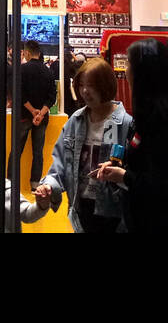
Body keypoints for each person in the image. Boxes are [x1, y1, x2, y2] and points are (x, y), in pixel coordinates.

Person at [92, 38, 168, 233]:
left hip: (158, 221)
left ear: (144, 72)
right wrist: (120, 166)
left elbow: (165, 182)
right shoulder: (149, 112)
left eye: (129, 64)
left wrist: (124, 176)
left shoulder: (162, 119)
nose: (125, 70)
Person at [35, 56, 132, 232]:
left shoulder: (125, 124)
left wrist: (122, 175)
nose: (85, 91)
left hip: (116, 215)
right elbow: (60, 165)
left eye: (92, 85)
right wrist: (48, 186)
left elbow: (137, 175)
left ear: (106, 86)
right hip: (81, 210)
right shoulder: (76, 121)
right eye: (81, 85)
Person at [10, 39, 56, 188]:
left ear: (27, 53)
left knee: (16, 150)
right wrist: (40, 113)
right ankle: (35, 183)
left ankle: (10, 183)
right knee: (38, 152)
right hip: (42, 119)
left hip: (23, 116)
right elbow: (52, 97)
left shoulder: (21, 70)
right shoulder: (48, 71)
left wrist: (31, 111)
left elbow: (19, 93)